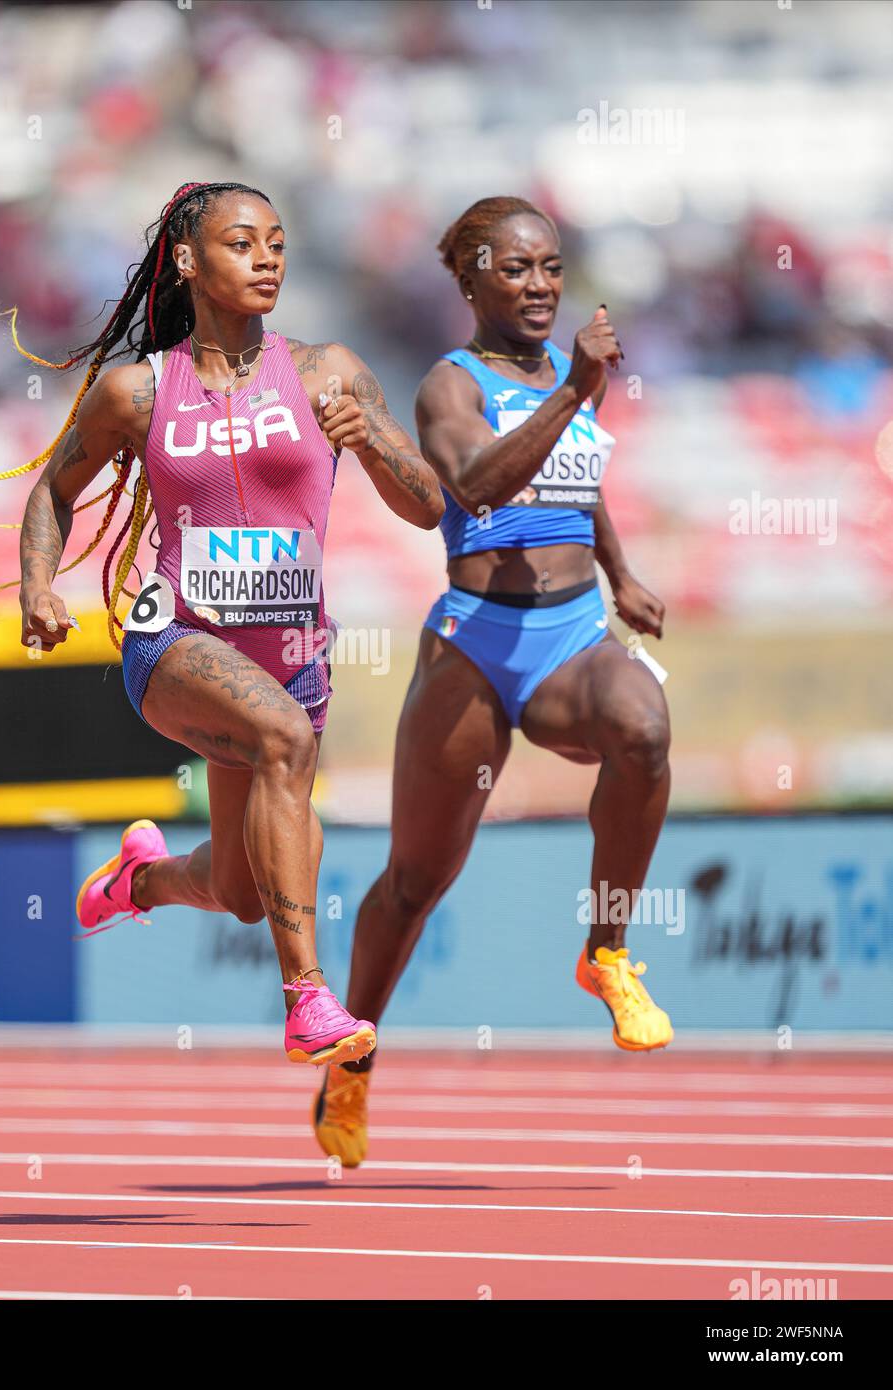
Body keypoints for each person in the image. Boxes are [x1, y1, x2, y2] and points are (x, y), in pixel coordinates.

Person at [0, 180, 440, 1066]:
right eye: (244, 244)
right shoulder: (136, 392)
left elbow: (429, 505)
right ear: (191, 261)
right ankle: (308, 1000)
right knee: (279, 738)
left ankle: (141, 881)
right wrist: (38, 584)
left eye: (278, 242)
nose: (268, 257)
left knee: (243, 892)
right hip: (176, 644)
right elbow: (53, 490)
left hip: (293, 656)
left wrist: (374, 441)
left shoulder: (330, 371)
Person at [314, 196, 673, 1164]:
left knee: (642, 724)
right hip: (474, 643)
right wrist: (573, 394)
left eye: (551, 267)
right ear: (471, 277)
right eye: (516, 269)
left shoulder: (568, 375)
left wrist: (619, 571)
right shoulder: (448, 384)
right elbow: (469, 487)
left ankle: (606, 953)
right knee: (414, 881)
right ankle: (349, 1061)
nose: (540, 286)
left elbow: (574, 474)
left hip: (568, 637)